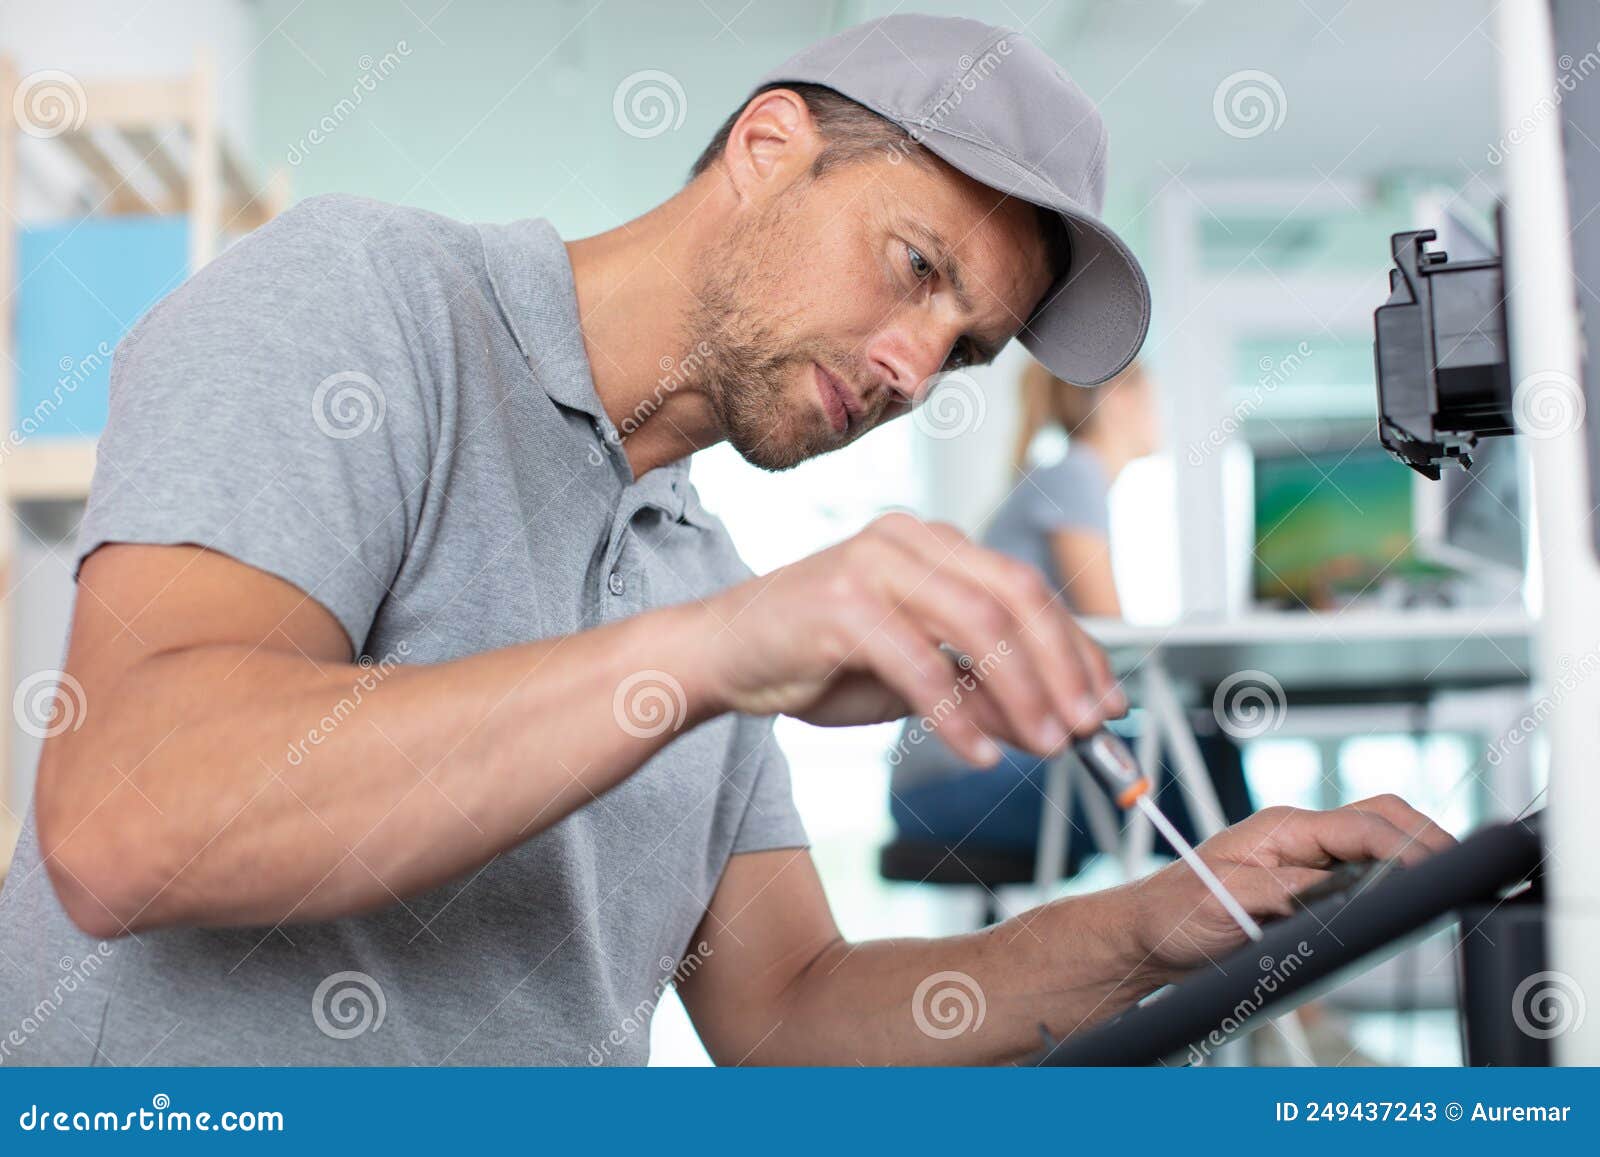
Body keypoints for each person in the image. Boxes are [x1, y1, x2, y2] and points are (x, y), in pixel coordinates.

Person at [0, 15, 1452, 1067]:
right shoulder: (360, 300)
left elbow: (790, 1012)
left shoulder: (699, 575)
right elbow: (131, 819)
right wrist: (713, 656)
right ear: (768, 149)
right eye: (917, 267)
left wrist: (1167, 922)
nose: (912, 367)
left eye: (962, 350)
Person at [889, 359, 1254, 873]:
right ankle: (1254, 905)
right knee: (1204, 766)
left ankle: (1247, 905)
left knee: (1200, 763)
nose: (1161, 415)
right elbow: (1114, 635)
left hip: (947, 783)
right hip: (952, 789)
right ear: (1116, 400)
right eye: (1152, 399)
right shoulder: (1074, 473)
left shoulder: (1063, 475)